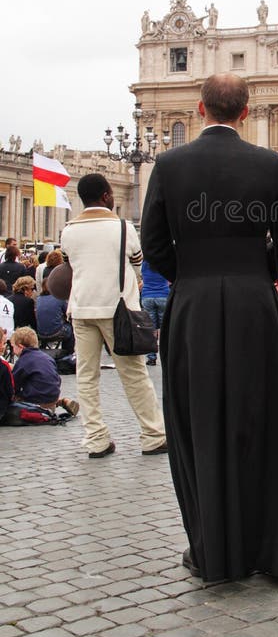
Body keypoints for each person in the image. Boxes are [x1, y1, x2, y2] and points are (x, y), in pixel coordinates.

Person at [141, 73, 278, 585]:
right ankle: (268, 544)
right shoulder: (268, 163)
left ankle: (211, 547)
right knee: (269, 421)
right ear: (246, 112)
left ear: (199, 109)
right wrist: (254, 272)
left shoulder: (168, 165)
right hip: (255, 307)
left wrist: (192, 276)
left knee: (198, 424)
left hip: (191, 306)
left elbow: (154, 243)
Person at [60, 173, 167, 459]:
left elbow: (71, 266)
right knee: (133, 374)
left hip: (81, 308)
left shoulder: (68, 230)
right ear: (108, 196)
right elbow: (136, 264)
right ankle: (152, 434)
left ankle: (96, 439)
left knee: (86, 376)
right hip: (117, 310)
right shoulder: (122, 228)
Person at [11, 327, 79, 416]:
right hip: (52, 396)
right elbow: (57, 377)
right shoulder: (47, 357)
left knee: (14, 400)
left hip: (35, 402)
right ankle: (60, 402)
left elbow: (13, 384)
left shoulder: (23, 361)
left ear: (20, 346)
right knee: (41, 389)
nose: (12, 350)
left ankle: (48, 406)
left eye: (13, 347)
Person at [140, 260, 170, 366]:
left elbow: (141, 277)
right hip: (163, 296)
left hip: (147, 297)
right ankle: (167, 356)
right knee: (166, 329)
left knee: (150, 329)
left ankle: (151, 358)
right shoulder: (163, 264)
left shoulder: (144, 264)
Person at [36, 279, 75, 353]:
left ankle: (43, 349)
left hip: (41, 333)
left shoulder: (39, 299)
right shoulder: (59, 298)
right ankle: (68, 354)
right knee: (71, 329)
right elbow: (68, 313)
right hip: (57, 332)